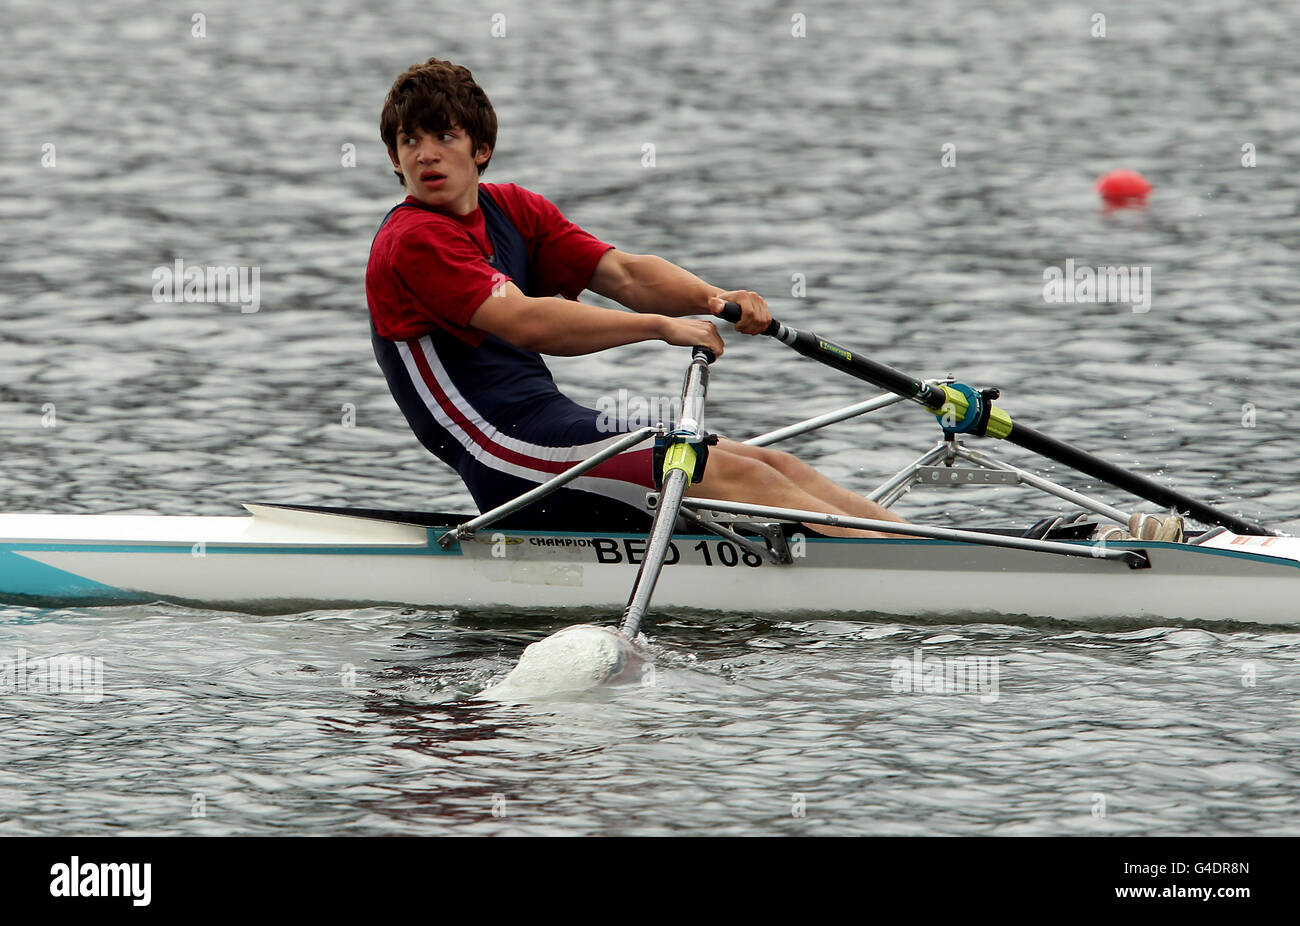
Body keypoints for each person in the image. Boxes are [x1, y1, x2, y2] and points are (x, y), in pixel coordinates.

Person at [365, 57, 907, 537]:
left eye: (444, 137)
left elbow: (623, 274)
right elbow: (529, 323)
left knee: (776, 466)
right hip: (504, 454)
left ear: (481, 149)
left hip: (553, 426)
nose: (425, 155)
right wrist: (659, 327)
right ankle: (903, 576)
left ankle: (927, 550)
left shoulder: (511, 209)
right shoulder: (413, 240)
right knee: (734, 475)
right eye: (409, 141)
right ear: (394, 157)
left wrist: (716, 300)